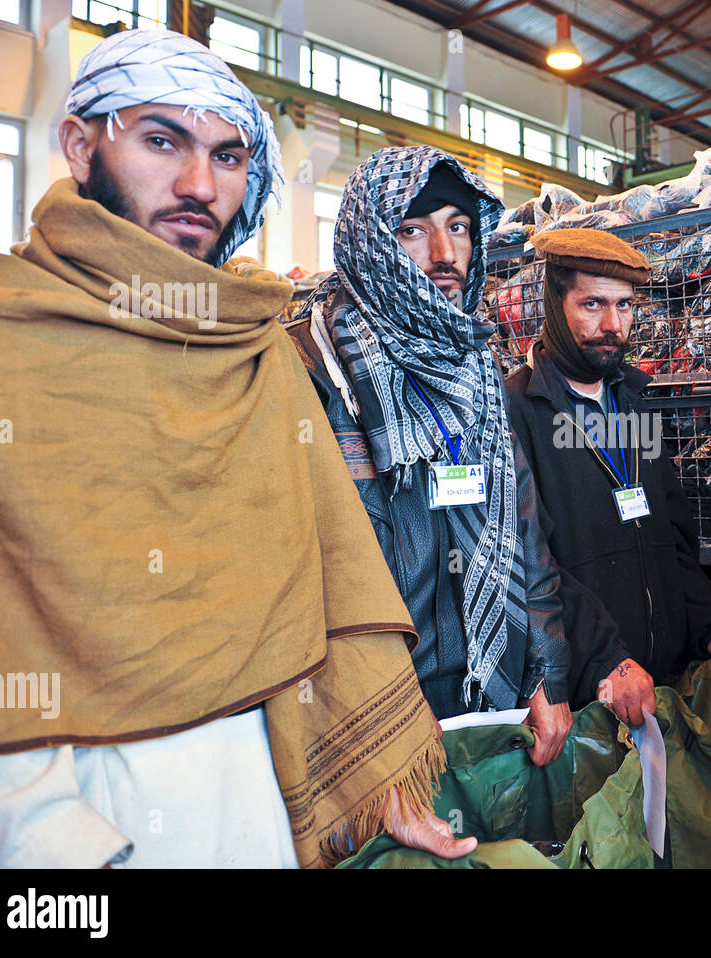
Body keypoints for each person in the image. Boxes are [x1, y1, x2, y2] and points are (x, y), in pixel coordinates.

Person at [0, 29, 474, 868]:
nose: (200, 184)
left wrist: (376, 790)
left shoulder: (255, 351)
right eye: (162, 141)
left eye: (229, 157)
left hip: (263, 805)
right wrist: (57, 854)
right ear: (81, 144)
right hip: (75, 823)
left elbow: (319, 588)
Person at [283, 146, 573, 764]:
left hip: (491, 699)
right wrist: (369, 722)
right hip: (372, 715)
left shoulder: (478, 366)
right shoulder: (314, 367)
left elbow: (526, 535)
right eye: (413, 229)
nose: (444, 255)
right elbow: (299, 580)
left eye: (459, 227)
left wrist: (549, 671)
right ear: (370, 240)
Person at [504, 228, 711, 727]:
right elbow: (528, 565)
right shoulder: (516, 411)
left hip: (656, 686)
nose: (612, 325)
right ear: (555, 307)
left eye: (625, 306)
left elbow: (670, 537)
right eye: (593, 304)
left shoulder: (636, 403)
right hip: (583, 697)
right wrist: (604, 660)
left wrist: (706, 620)